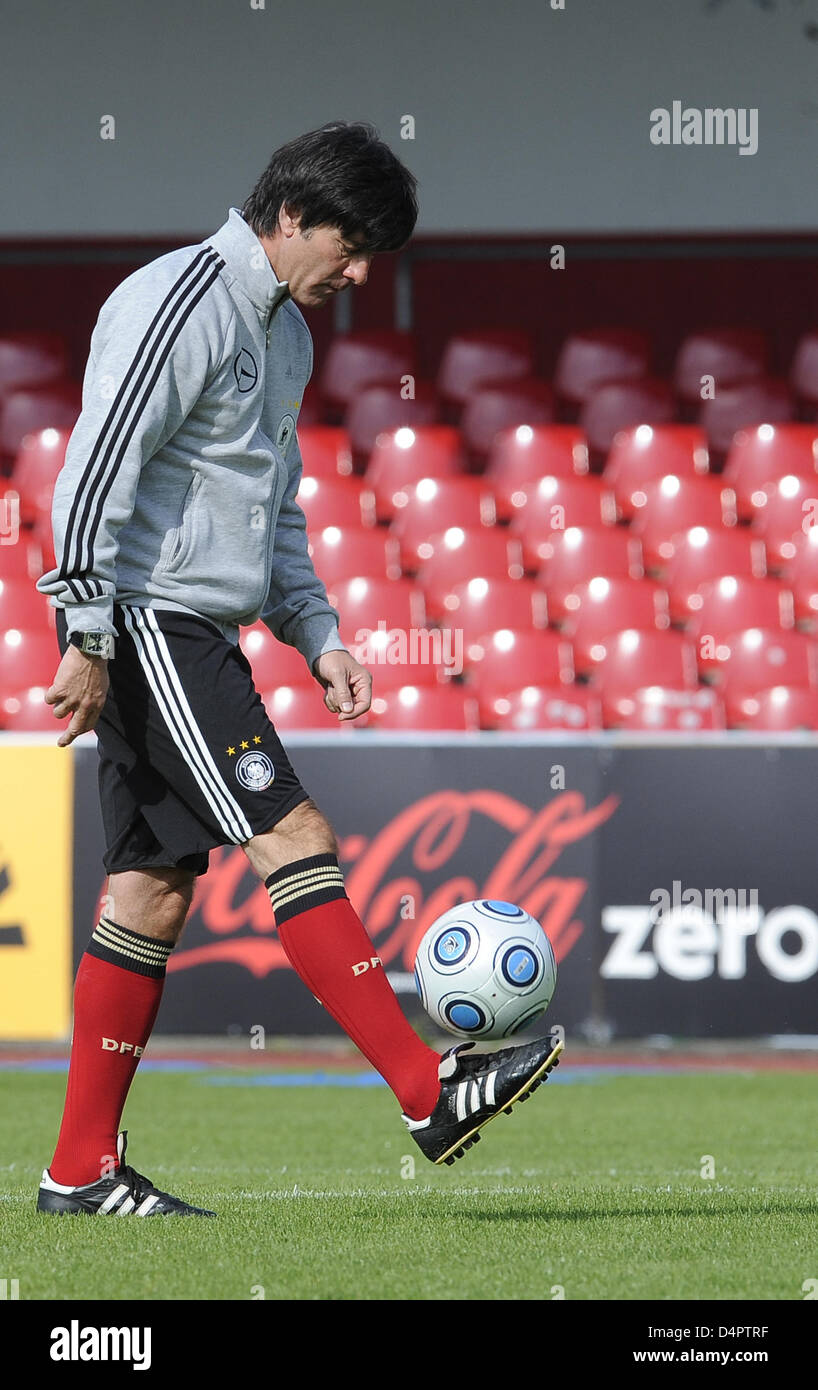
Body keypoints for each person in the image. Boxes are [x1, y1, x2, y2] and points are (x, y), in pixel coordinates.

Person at [34, 121, 561, 1217]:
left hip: (197, 627)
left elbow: (273, 512)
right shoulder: (180, 298)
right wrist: (86, 631)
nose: (359, 272)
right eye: (352, 245)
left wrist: (317, 631)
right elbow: (94, 465)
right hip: (148, 620)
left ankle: (79, 1170)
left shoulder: (286, 336)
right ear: (289, 217)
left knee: (150, 891)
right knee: (295, 835)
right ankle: (428, 1092)